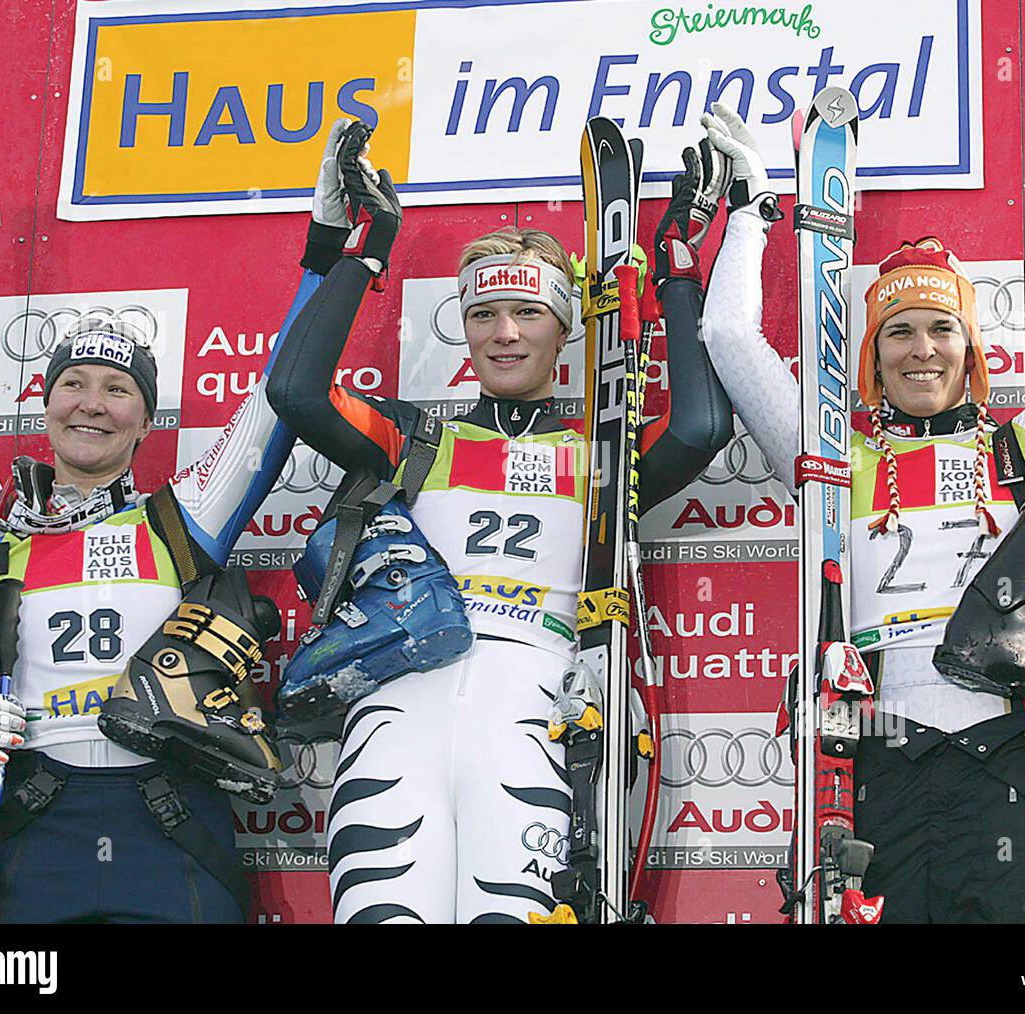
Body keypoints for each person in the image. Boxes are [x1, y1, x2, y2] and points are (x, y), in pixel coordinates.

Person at [699, 76, 1025, 923]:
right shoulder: (830, 449)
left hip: (1021, 757)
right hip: (885, 768)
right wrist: (750, 211)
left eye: (943, 329)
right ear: (871, 353)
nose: (921, 349)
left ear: (973, 348)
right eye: (898, 330)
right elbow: (727, 338)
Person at [266, 119, 735, 923]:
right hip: (397, 714)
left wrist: (676, 273)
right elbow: (298, 392)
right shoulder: (418, 441)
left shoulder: (604, 454)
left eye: (528, 312)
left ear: (567, 327)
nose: (506, 333)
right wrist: (365, 248)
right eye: (484, 314)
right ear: (464, 328)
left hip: (534, 714)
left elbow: (697, 427)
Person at [0, 303, 302, 923]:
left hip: (171, 826)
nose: (91, 403)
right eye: (73, 383)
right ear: (45, 406)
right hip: (33, 825)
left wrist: (330, 253)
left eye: (118, 389)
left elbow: (281, 398)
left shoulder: (180, 520)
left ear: (147, 421)